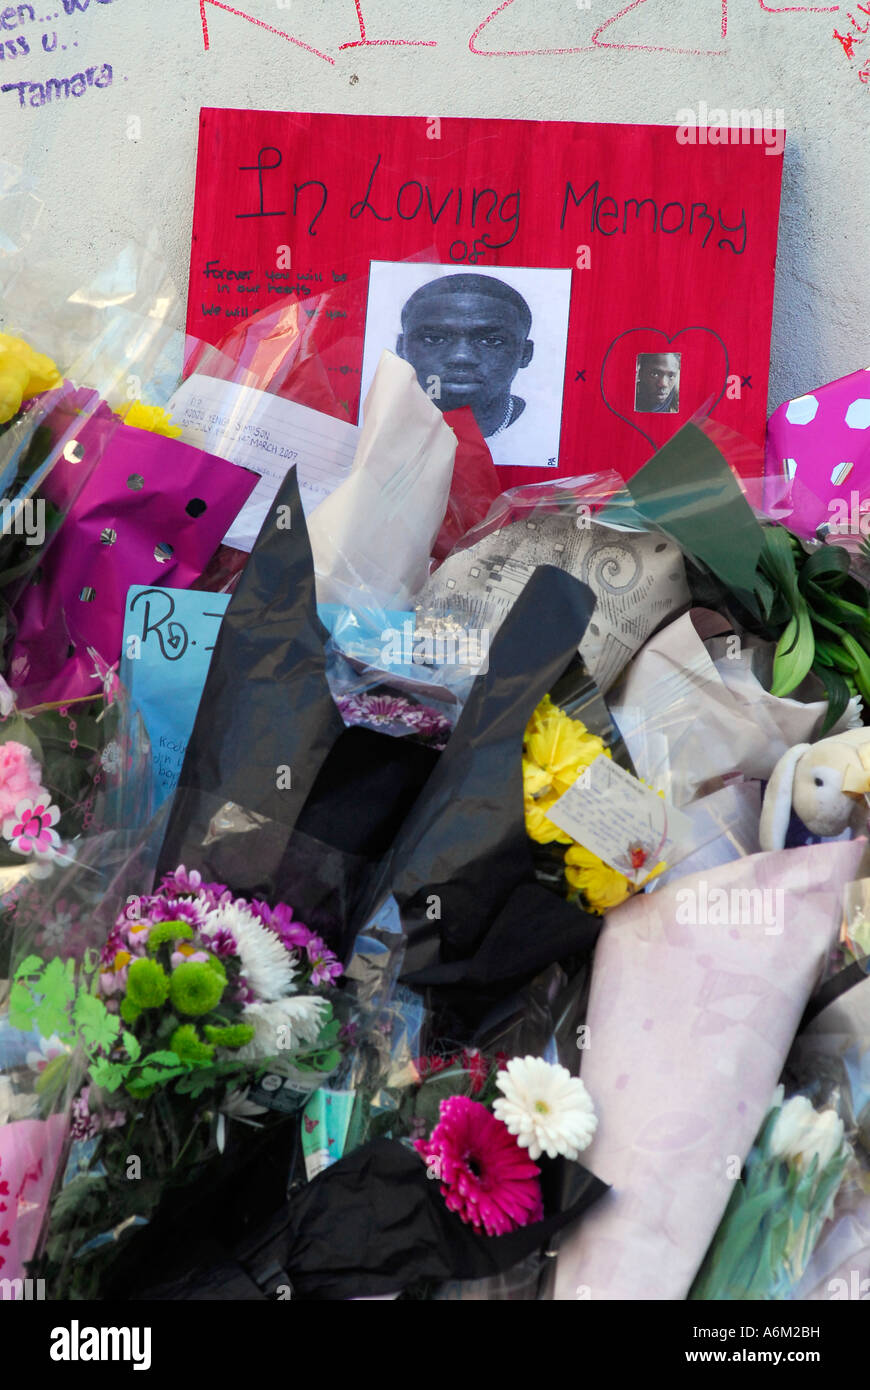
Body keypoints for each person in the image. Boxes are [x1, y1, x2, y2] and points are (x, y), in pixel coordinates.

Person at [396, 273, 534, 440]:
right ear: (401, 349)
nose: (461, 357)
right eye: (434, 338)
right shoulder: (374, 429)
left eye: (490, 341)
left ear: (525, 354)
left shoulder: (549, 433)